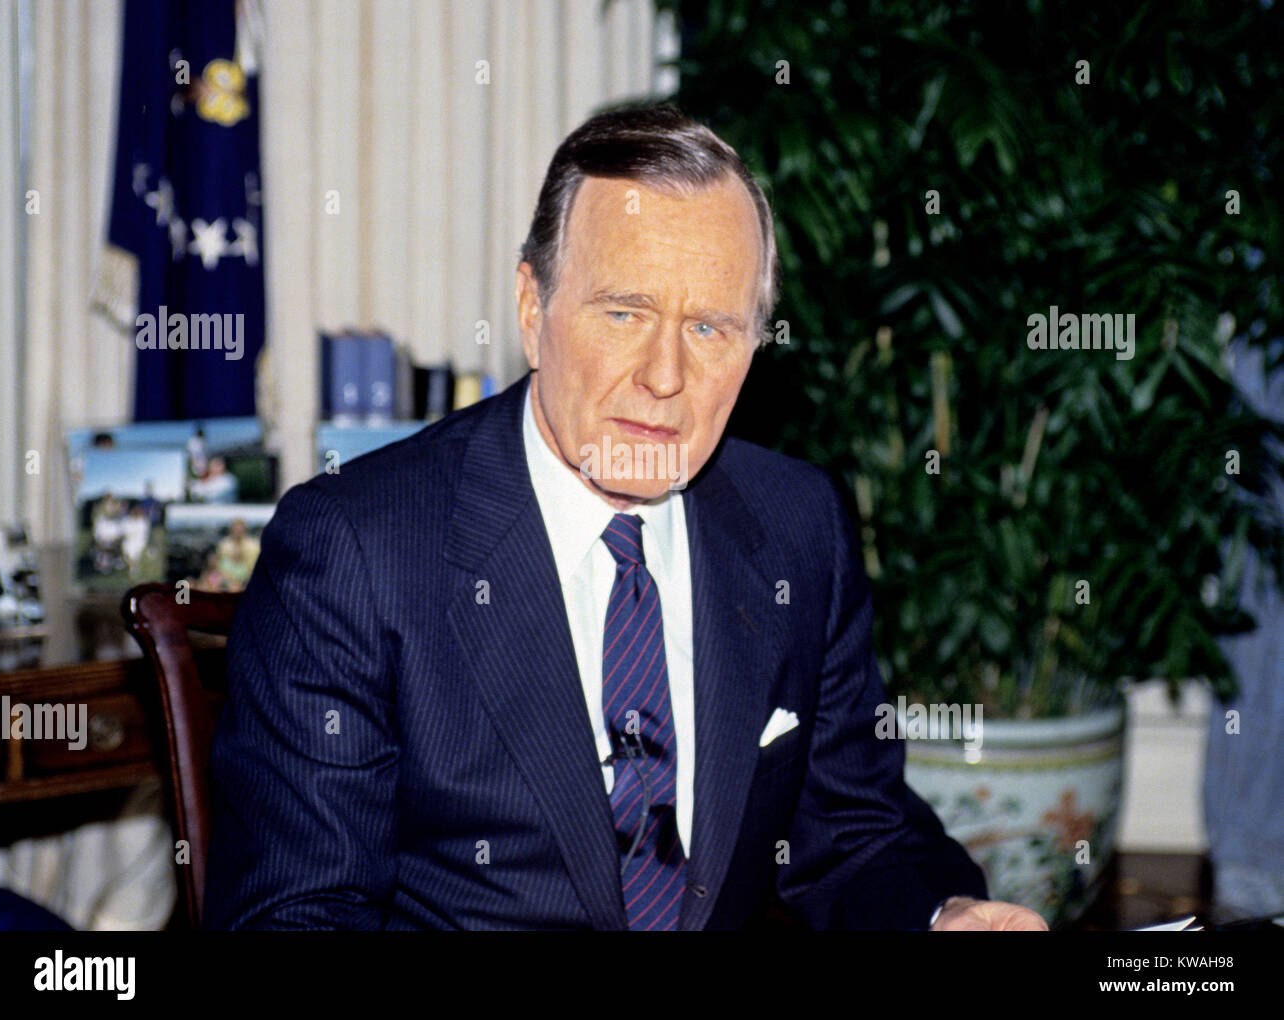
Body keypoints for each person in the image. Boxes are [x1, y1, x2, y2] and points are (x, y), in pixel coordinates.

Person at [205, 106, 1047, 931]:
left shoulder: (797, 525)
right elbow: (297, 911)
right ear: (534, 311)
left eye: (710, 327)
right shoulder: (357, 551)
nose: (665, 376)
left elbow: (851, 834)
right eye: (624, 313)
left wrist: (945, 913)